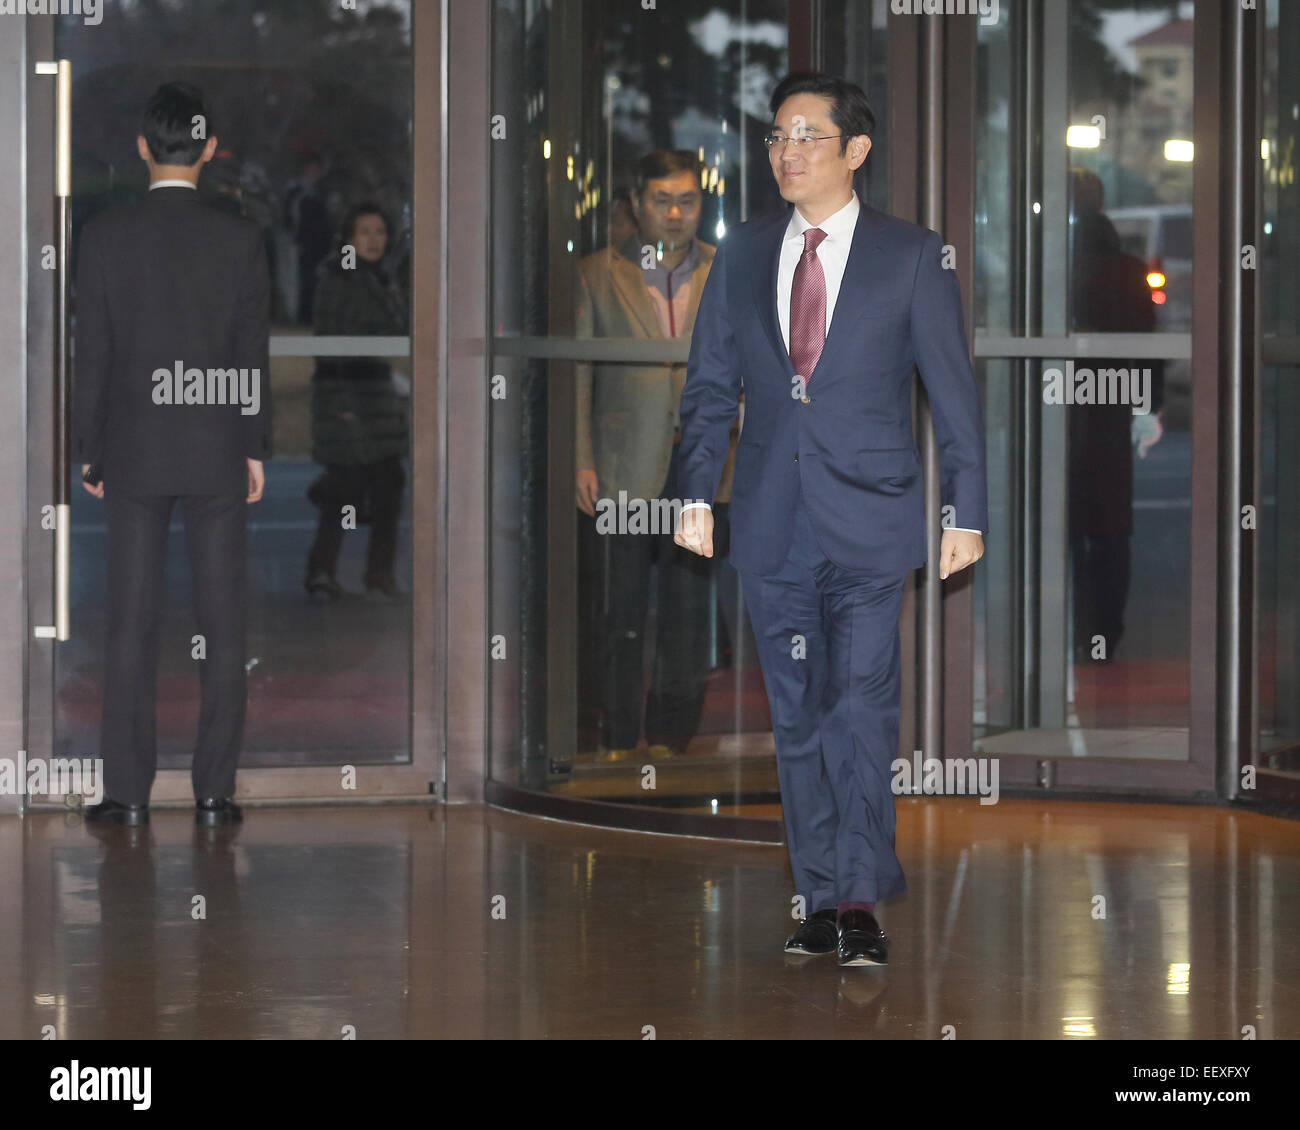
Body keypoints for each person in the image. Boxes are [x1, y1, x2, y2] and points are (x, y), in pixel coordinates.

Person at [674, 72, 988, 966]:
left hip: (872, 519)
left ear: (856, 150)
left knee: (860, 707)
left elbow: (953, 398)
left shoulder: (911, 255)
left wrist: (964, 510)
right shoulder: (740, 252)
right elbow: (708, 389)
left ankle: (856, 897)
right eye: (776, 137)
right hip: (773, 521)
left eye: (806, 136)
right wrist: (694, 491)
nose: (786, 152)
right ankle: (815, 892)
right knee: (799, 715)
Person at [73, 82, 271, 826]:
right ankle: (215, 794)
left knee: (131, 624)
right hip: (217, 444)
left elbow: (92, 355)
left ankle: (126, 794)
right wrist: (253, 447)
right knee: (223, 624)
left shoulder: (104, 237)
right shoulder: (240, 238)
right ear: (211, 150)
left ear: (142, 149)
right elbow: (251, 352)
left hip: (134, 450)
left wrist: (91, 449)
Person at [574, 150, 740, 761]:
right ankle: (618, 738)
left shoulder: (726, 271)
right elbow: (578, 374)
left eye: (688, 201)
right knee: (617, 608)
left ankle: (672, 738)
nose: (675, 214)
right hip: (620, 463)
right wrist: (580, 458)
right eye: (661, 201)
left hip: (703, 465)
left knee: (688, 609)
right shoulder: (596, 274)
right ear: (636, 206)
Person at [304, 202, 409, 600]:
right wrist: (340, 404)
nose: (374, 240)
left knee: (387, 483)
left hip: (377, 395)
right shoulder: (341, 275)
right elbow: (332, 340)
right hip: (346, 393)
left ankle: (377, 573)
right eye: (364, 232)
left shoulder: (379, 276)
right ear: (348, 237)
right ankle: (322, 570)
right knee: (346, 485)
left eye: (380, 232)